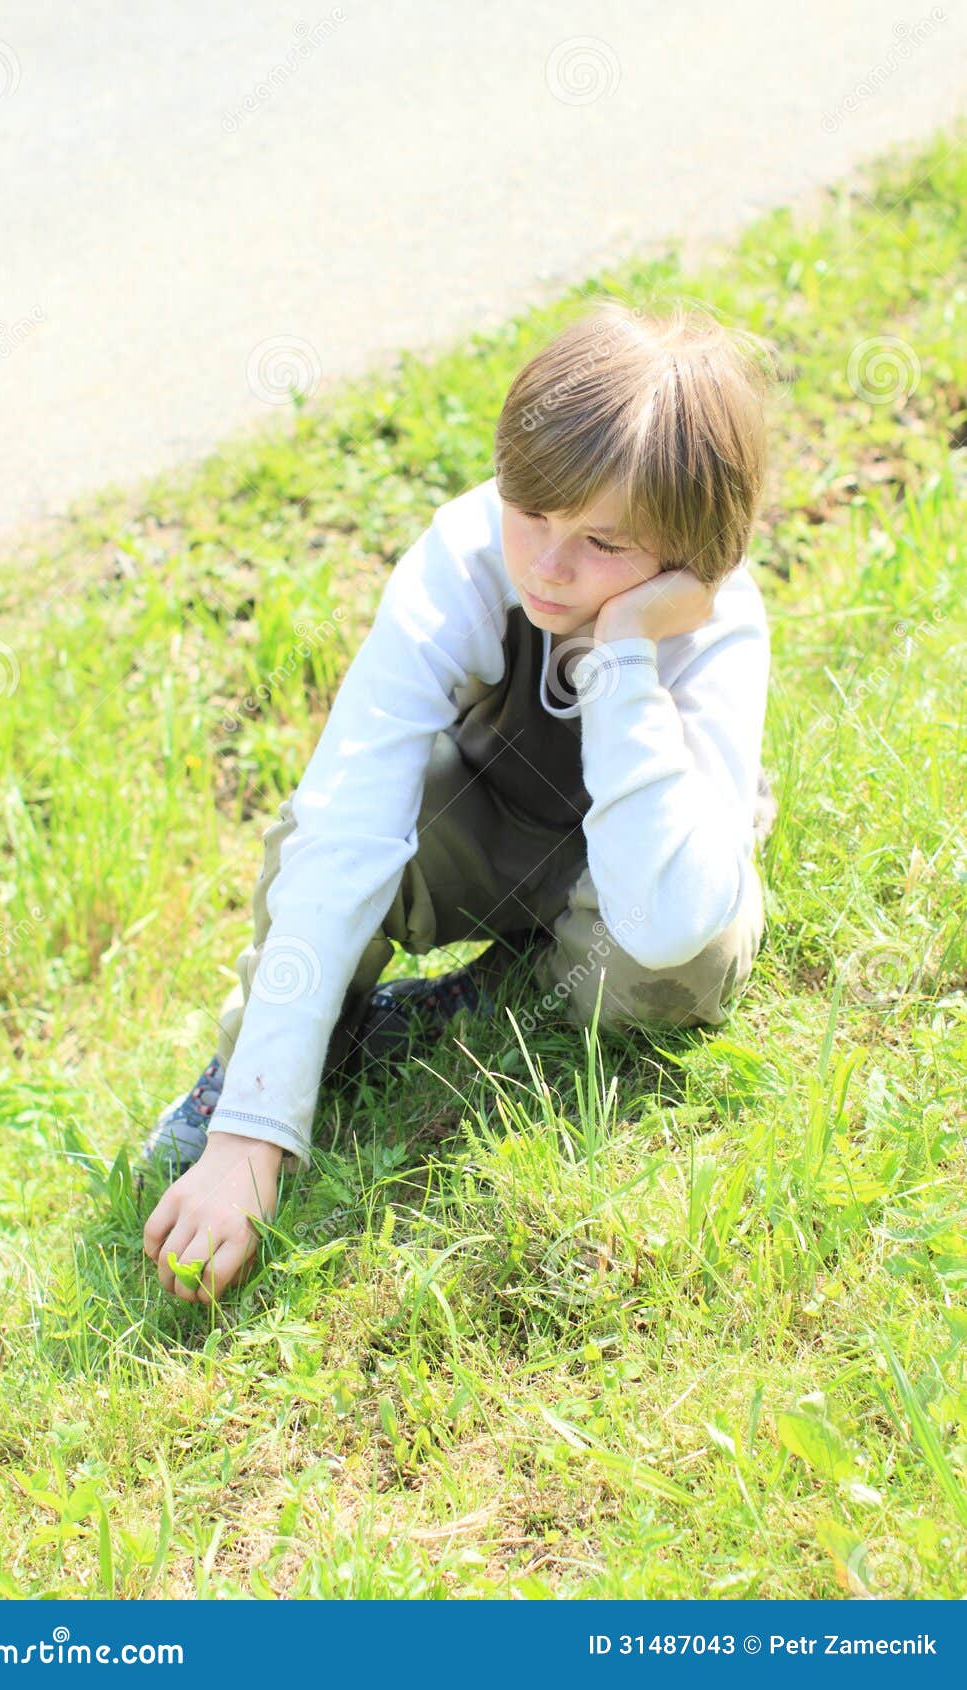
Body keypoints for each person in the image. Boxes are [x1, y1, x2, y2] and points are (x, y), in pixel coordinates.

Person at [141, 296, 780, 1304]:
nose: (549, 566)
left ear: (692, 553)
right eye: (533, 514)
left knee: (675, 966)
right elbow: (348, 818)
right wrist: (249, 1135)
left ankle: (513, 983)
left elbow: (666, 920)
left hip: (623, 881)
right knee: (317, 836)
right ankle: (288, 1055)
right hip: (495, 823)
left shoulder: (718, 627)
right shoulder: (468, 556)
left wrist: (623, 654)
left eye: (603, 543)